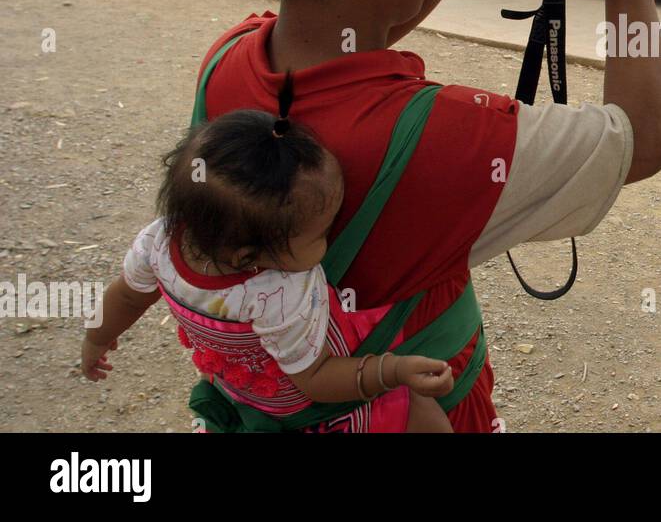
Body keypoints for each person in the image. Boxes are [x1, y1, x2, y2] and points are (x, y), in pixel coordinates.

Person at [174, 0, 661, 433]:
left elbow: (351, 41)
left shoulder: (230, 59)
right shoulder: (441, 137)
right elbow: (641, 139)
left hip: (258, 410)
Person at [83, 94, 457, 432]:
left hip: (236, 385)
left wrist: (96, 337)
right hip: (301, 401)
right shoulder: (281, 293)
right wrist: (392, 371)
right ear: (248, 257)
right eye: (322, 234)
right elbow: (316, 377)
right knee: (422, 416)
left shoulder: (159, 240)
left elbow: (128, 297)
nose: (333, 238)